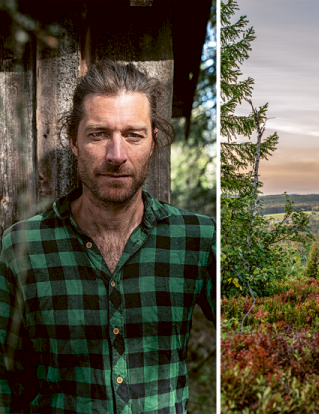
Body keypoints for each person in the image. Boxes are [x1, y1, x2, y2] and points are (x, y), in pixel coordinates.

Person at [0, 61, 215, 413]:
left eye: (133, 135)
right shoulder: (22, 246)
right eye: (99, 134)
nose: (117, 155)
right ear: (74, 141)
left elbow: (252, 322)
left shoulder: (197, 238)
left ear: (154, 142)